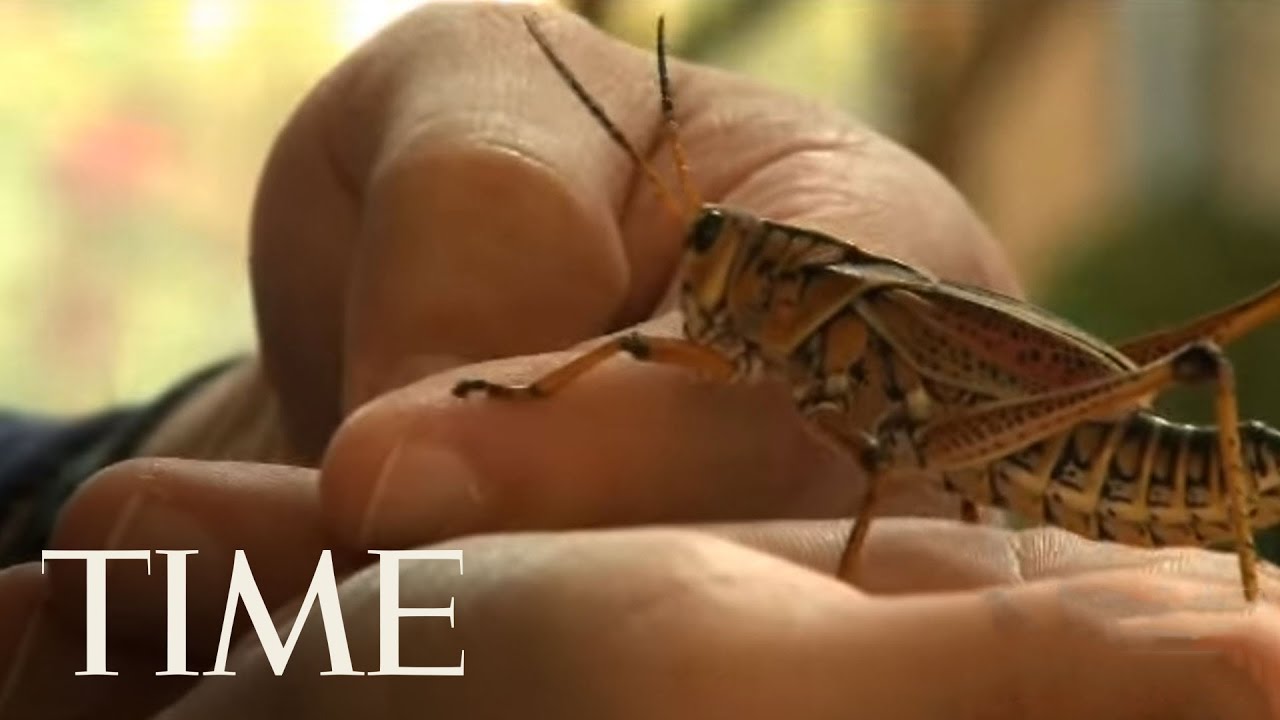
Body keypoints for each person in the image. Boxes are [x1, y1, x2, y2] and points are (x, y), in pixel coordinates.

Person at [1, 4, 1277, 718]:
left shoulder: (833, 307)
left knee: (1193, 369)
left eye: (714, 250)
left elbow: (898, 455)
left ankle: (1234, 555)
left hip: (1082, 438)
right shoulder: (740, 341)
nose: (701, 284)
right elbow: (655, 352)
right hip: (999, 450)